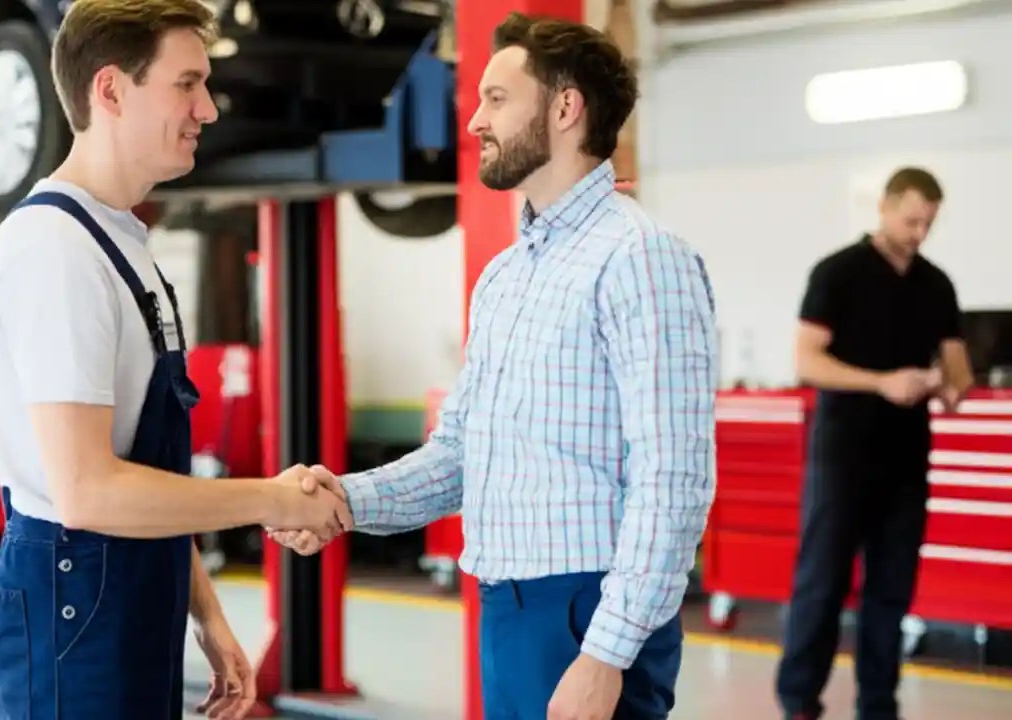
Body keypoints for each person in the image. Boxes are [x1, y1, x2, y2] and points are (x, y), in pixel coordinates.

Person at [271, 12, 717, 720]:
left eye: (497, 99)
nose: (476, 121)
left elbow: (673, 479)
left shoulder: (639, 257)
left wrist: (605, 654)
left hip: (584, 609)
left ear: (566, 108)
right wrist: (345, 502)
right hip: (507, 606)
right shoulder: (506, 276)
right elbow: (461, 455)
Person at [0, 2, 351, 719]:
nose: (207, 108)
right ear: (110, 90)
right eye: (187, 83)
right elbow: (88, 491)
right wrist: (269, 497)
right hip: (71, 613)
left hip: (126, 601)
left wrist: (201, 610)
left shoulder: (122, 247)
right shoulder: (56, 255)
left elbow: (148, 477)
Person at [775, 167, 973, 720]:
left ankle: (878, 704)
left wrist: (944, 384)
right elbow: (807, 360)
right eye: (910, 219)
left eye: (928, 224)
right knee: (823, 581)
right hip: (843, 455)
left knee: (890, 590)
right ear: (884, 207)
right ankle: (798, 701)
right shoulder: (838, 273)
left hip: (907, 459)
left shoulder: (937, 284)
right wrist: (882, 382)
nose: (918, 232)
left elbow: (959, 373)